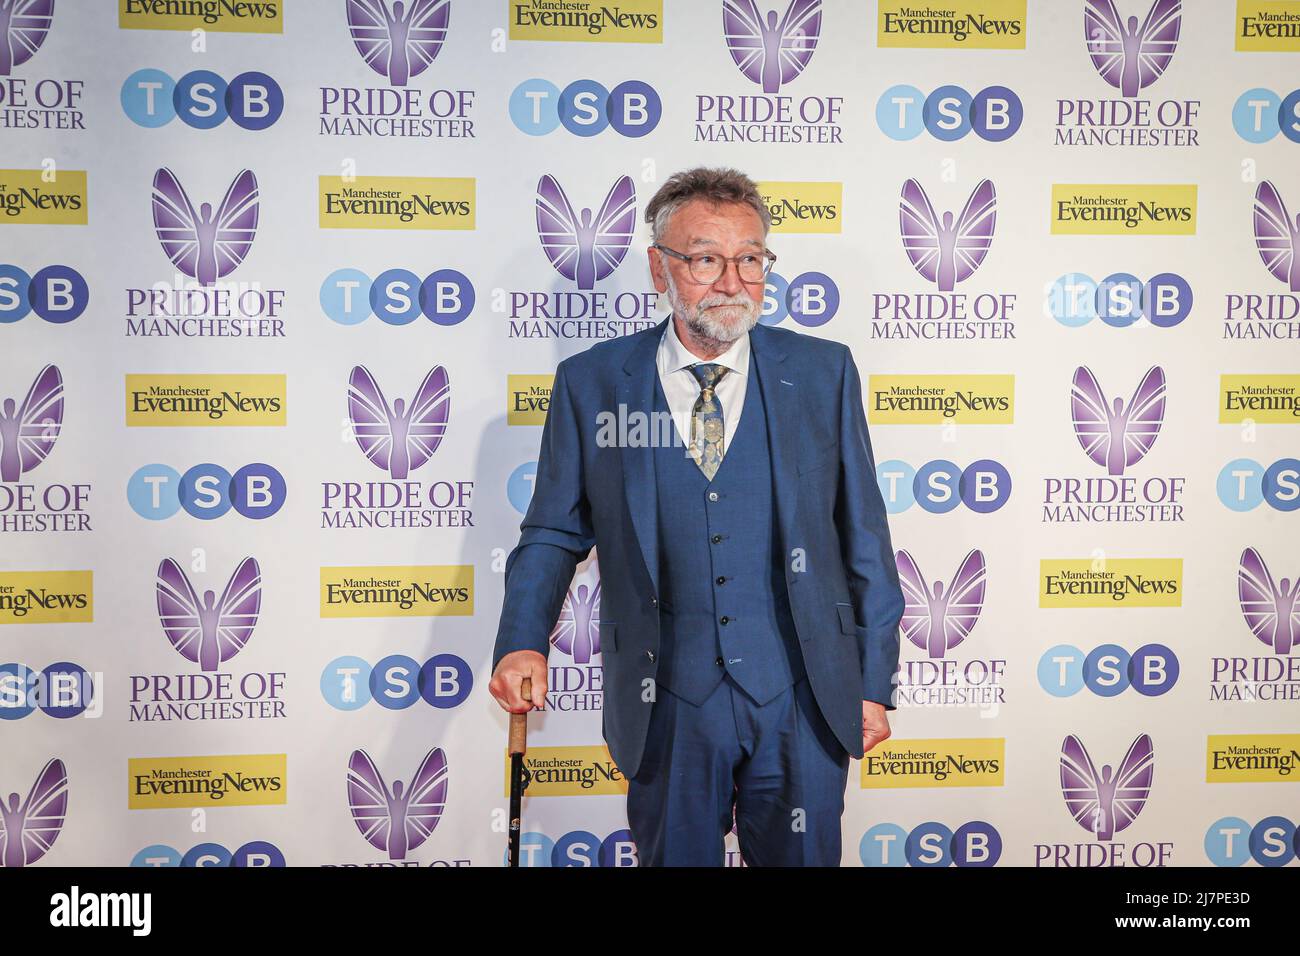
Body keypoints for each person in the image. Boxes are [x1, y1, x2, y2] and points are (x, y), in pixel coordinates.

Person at [489, 166, 904, 866]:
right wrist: (522, 638)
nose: (733, 281)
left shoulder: (823, 372)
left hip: (801, 694)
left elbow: (862, 533)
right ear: (660, 268)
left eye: (751, 259)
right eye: (707, 258)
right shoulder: (593, 384)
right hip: (668, 702)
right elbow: (556, 529)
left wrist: (872, 680)